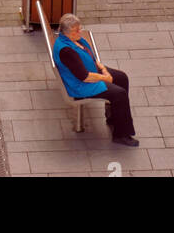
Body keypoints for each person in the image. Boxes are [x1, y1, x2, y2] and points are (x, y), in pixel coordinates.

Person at [51, 13, 138, 146]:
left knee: (122, 78)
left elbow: (89, 57)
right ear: (67, 32)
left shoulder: (73, 39)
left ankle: (114, 117)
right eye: (76, 30)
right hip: (81, 84)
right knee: (119, 93)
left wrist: (102, 67)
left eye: (79, 28)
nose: (80, 31)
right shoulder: (66, 51)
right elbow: (84, 77)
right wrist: (105, 77)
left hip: (91, 71)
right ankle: (121, 134)